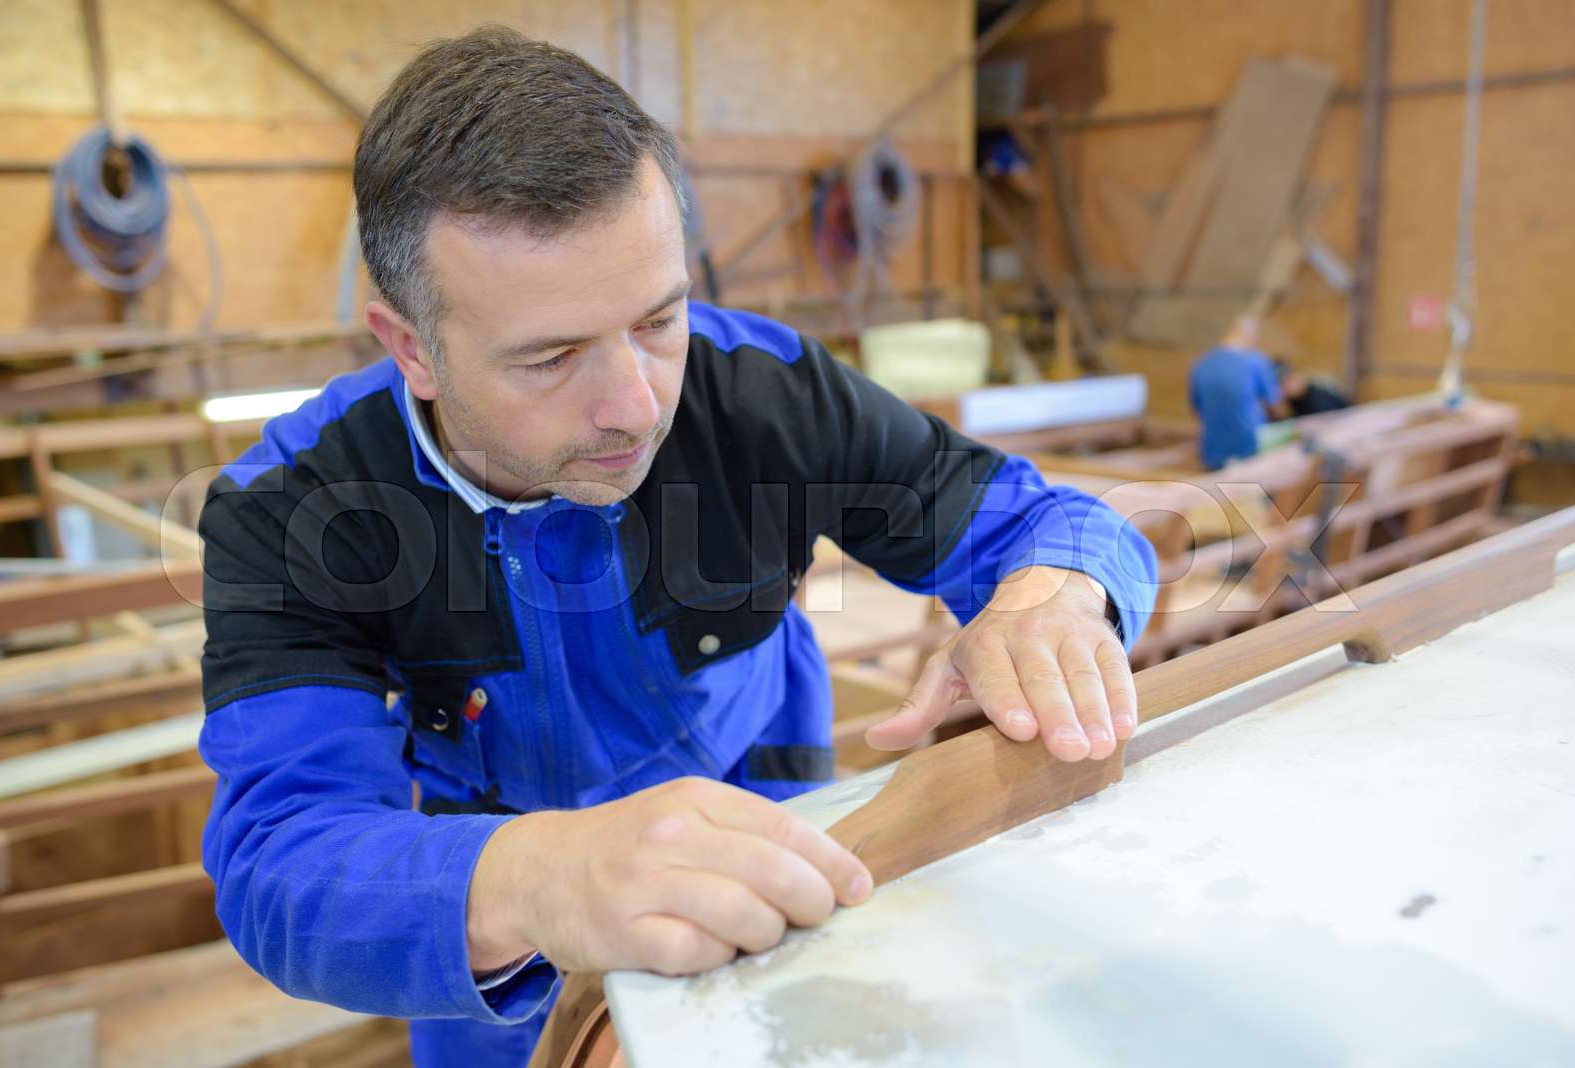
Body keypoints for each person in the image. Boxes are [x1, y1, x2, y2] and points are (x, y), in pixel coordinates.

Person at [196, 26, 1158, 1068]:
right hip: (494, 931)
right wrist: (537, 878)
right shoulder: (293, 504)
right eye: (552, 357)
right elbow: (278, 860)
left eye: (658, 318)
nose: (634, 406)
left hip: (780, 871)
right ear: (412, 348)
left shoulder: (765, 392)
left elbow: (1053, 523)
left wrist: (1054, 600)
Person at [1188, 317, 1291, 470]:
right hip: (1250, 452)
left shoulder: (1201, 364)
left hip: (1212, 454)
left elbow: (1197, 411)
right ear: (1251, 336)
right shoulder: (1256, 361)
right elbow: (1277, 408)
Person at [1274, 357, 1351, 418]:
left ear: (1297, 376)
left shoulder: (1317, 397)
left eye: (1288, 381)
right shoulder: (1293, 402)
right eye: (1280, 385)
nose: (1283, 389)